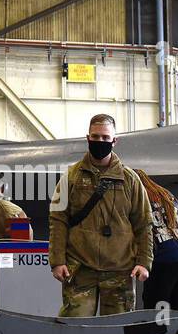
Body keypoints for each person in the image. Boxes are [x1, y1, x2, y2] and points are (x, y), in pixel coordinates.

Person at [48, 113, 152, 316]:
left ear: (115, 141)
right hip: (80, 269)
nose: (100, 141)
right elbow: (58, 220)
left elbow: (144, 223)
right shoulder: (71, 177)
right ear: (88, 138)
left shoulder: (130, 180)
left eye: (105, 138)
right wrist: (57, 261)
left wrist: (143, 262)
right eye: (95, 137)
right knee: (75, 330)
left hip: (119, 270)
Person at [136, 169, 178, 311]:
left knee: (156, 303)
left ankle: (159, 331)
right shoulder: (164, 193)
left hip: (165, 257)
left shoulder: (139, 199)